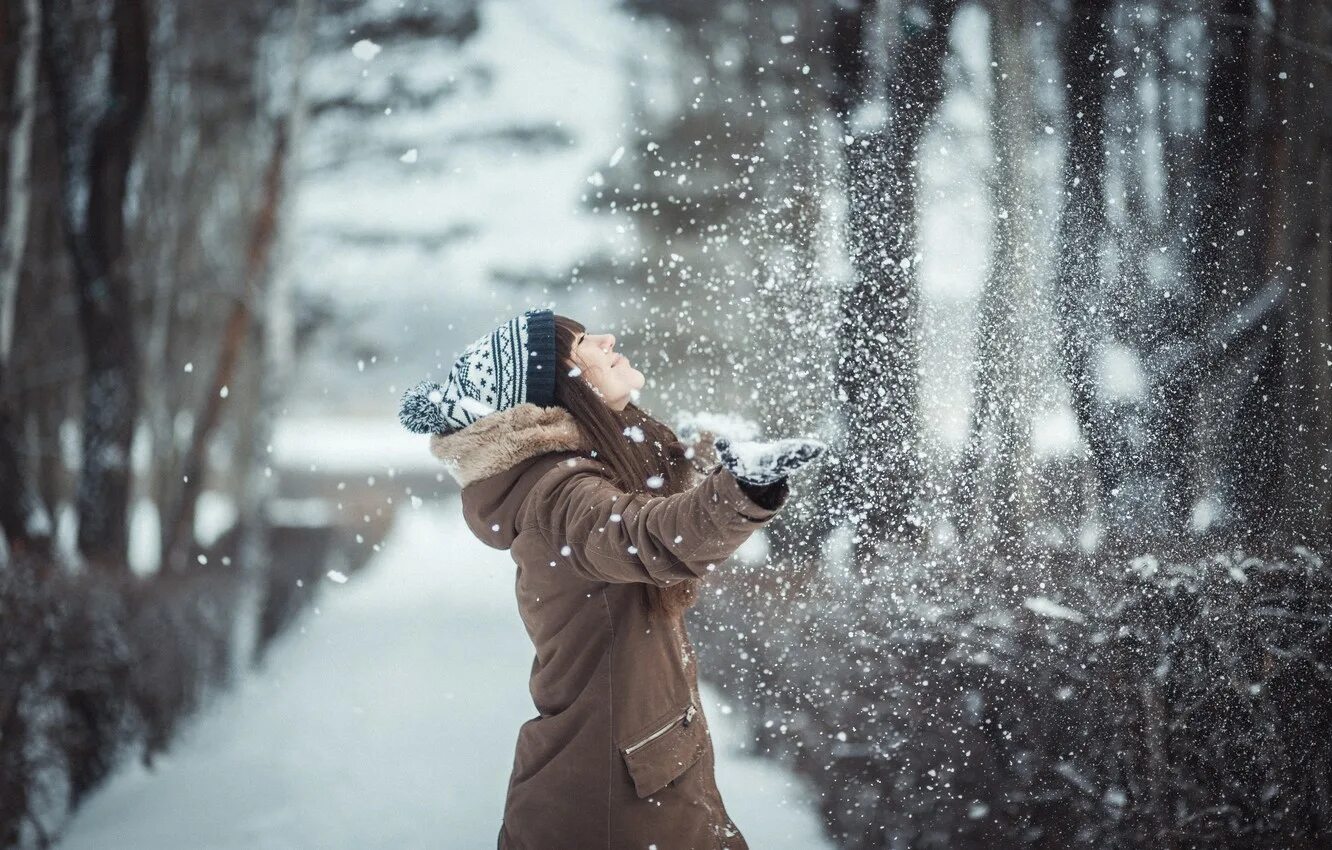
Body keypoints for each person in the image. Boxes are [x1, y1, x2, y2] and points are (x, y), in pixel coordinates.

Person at [399, 308, 825, 850]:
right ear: (559, 394)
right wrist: (742, 491)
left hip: (625, 774)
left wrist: (700, 459)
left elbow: (642, 506)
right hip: (609, 799)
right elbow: (642, 535)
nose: (607, 339)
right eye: (582, 344)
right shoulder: (558, 495)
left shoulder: (565, 478)